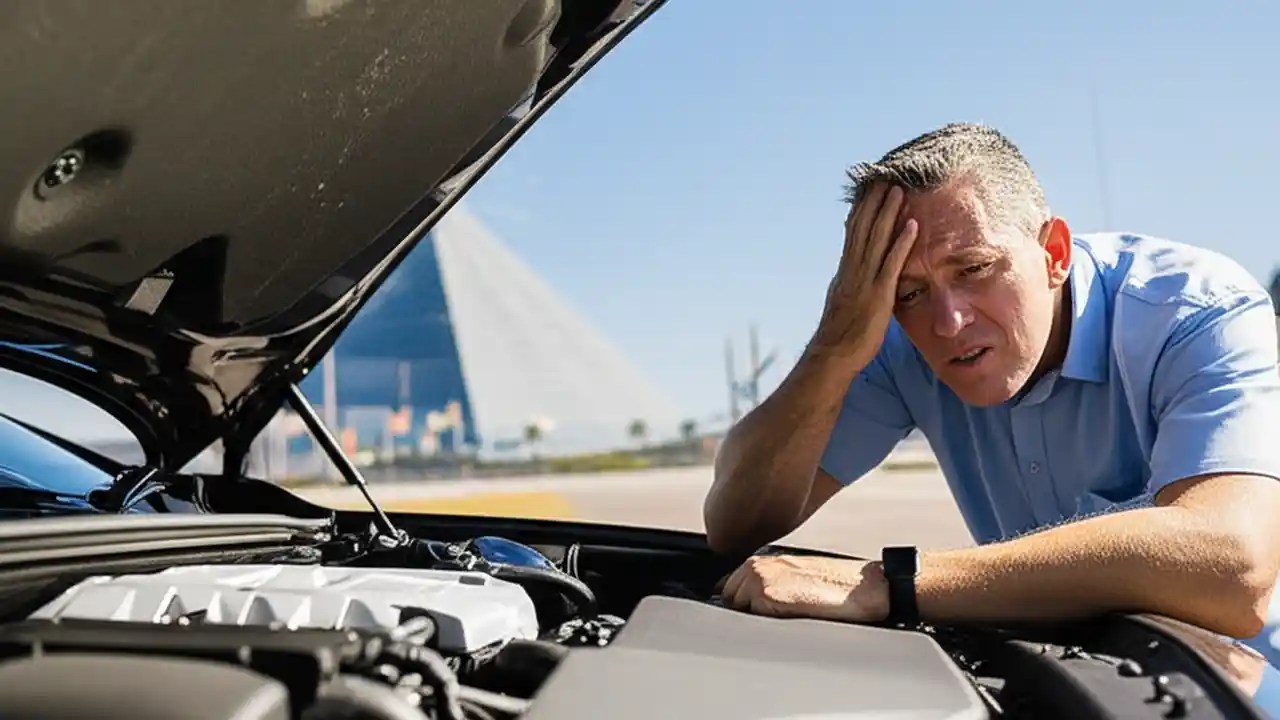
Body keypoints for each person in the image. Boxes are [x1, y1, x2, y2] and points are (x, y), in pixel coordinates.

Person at [702, 122, 1280, 656]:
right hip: (1074, 670)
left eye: (973, 269)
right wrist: (833, 347)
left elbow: (1234, 568)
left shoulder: (1195, 312)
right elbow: (736, 523)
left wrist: (890, 583)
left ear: (1053, 254)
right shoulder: (897, 342)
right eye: (909, 291)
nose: (947, 322)